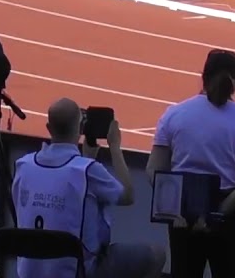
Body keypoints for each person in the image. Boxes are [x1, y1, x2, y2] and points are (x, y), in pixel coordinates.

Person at [12, 98, 165, 278]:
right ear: (80, 128)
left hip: (30, 271)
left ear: (48, 128)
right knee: (156, 255)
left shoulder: (24, 165)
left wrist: (88, 158)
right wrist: (115, 147)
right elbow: (128, 195)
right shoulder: (88, 171)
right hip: (79, 270)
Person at [146, 50, 235, 278]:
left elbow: (153, 170)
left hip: (184, 212)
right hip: (230, 212)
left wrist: (176, 207)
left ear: (203, 75)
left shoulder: (174, 115)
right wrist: (216, 213)